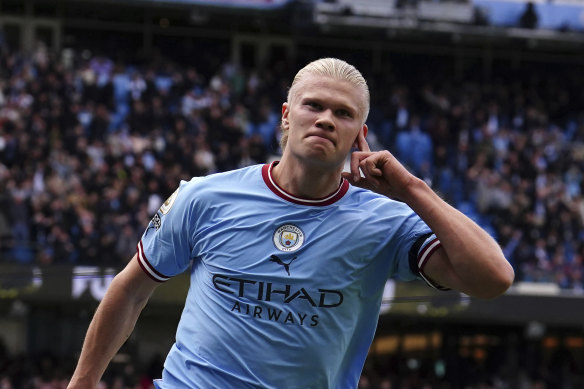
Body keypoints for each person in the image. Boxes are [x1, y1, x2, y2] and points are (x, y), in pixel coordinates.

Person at [68, 58, 514, 389]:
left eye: (343, 113)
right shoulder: (205, 197)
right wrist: (82, 384)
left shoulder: (387, 222)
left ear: (361, 133)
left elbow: (493, 278)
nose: (325, 118)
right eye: (313, 105)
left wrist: (413, 188)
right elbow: (130, 290)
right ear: (286, 115)